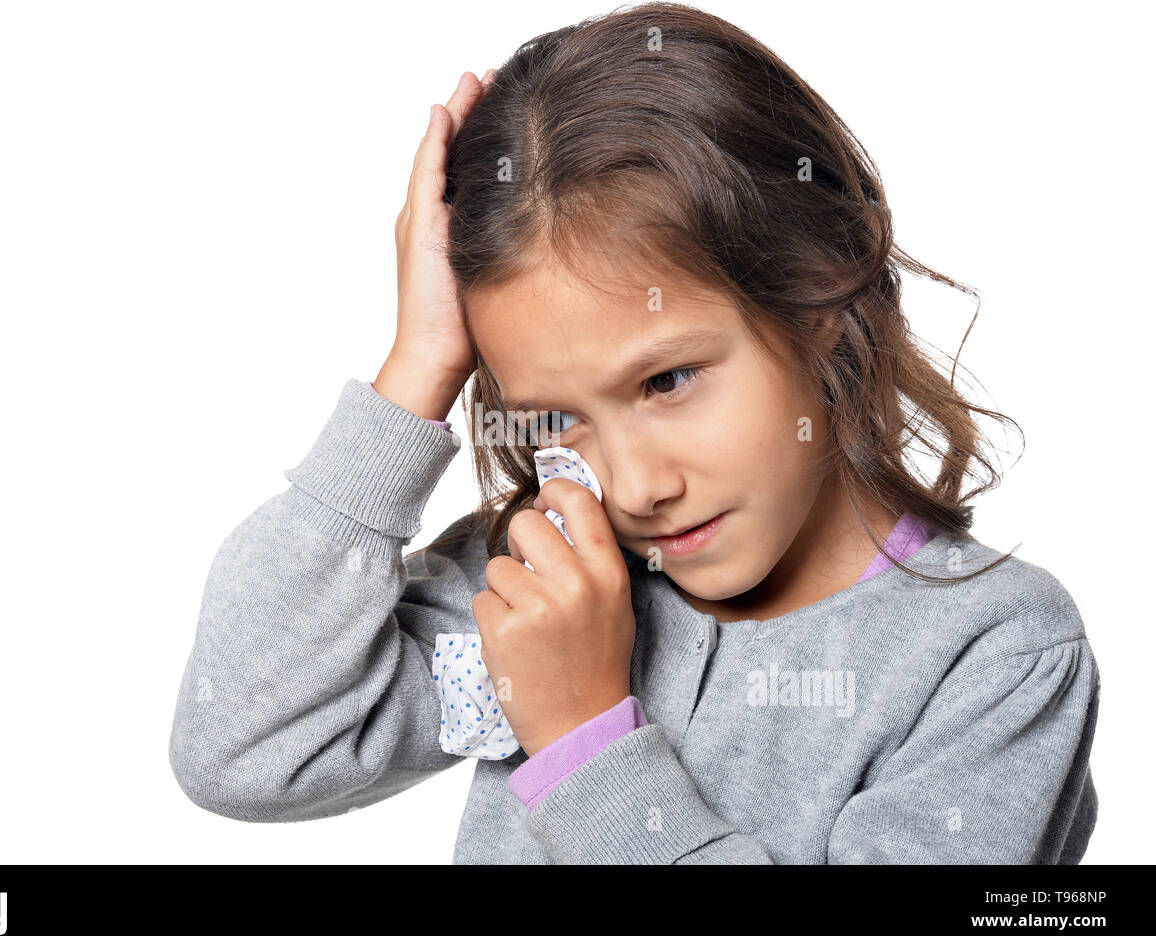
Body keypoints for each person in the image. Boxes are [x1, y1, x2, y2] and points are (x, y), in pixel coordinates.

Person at [168, 2, 1099, 864]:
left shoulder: (991, 659)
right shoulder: (546, 595)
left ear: (817, 292)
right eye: (556, 414)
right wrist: (416, 372)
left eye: (668, 379)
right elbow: (245, 744)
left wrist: (582, 734)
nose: (635, 485)